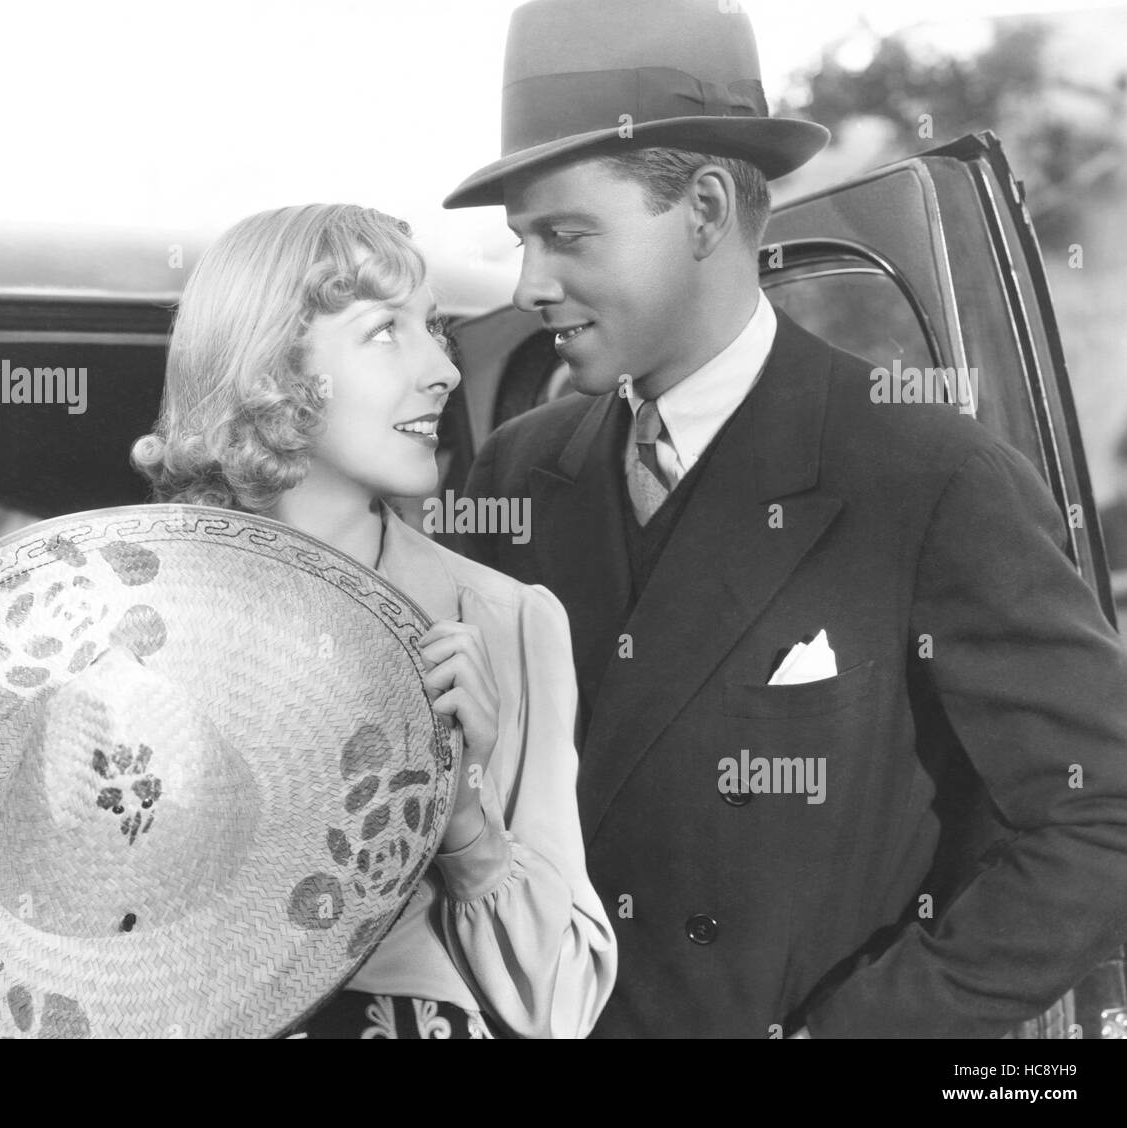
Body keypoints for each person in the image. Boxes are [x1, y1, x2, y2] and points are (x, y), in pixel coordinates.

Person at [447, 0, 1127, 1037]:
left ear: (708, 209)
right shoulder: (516, 475)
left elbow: (1099, 812)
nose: (532, 283)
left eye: (565, 235)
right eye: (520, 241)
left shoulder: (926, 475)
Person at [130, 203, 616, 1038]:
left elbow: (560, 1007)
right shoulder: (125, 615)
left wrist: (461, 817)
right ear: (270, 370)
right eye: (387, 332)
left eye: (435, 330)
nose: (443, 371)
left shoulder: (506, 623)